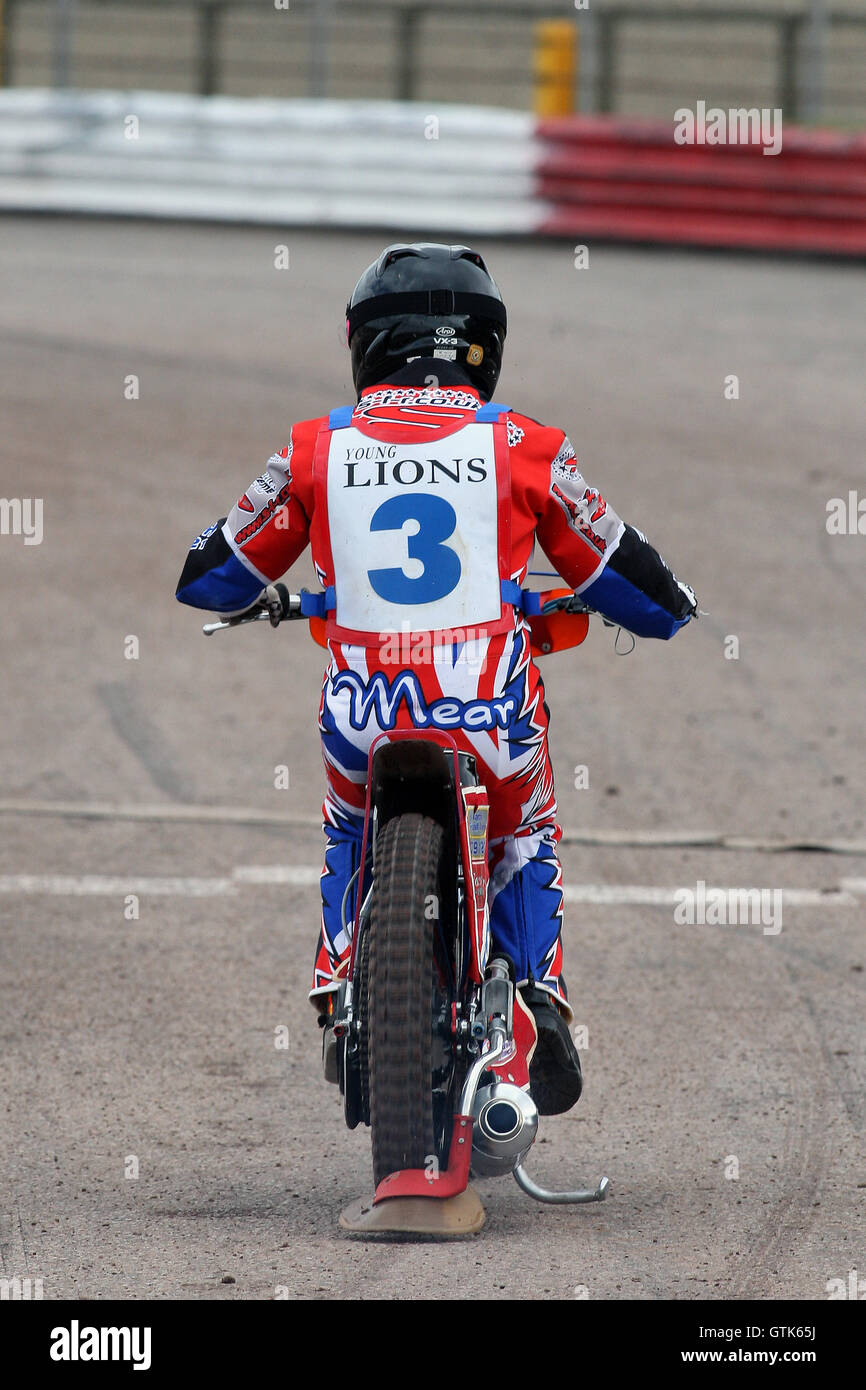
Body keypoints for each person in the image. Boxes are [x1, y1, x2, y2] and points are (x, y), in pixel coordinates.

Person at [176, 242, 697, 1117]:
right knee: (527, 827)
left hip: (363, 708)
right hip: (488, 703)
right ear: (486, 346)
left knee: (347, 823)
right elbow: (644, 591)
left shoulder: (313, 447)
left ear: (366, 342)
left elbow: (208, 575)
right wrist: (672, 606)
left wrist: (286, 586)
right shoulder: (526, 446)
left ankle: (341, 991)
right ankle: (538, 995)